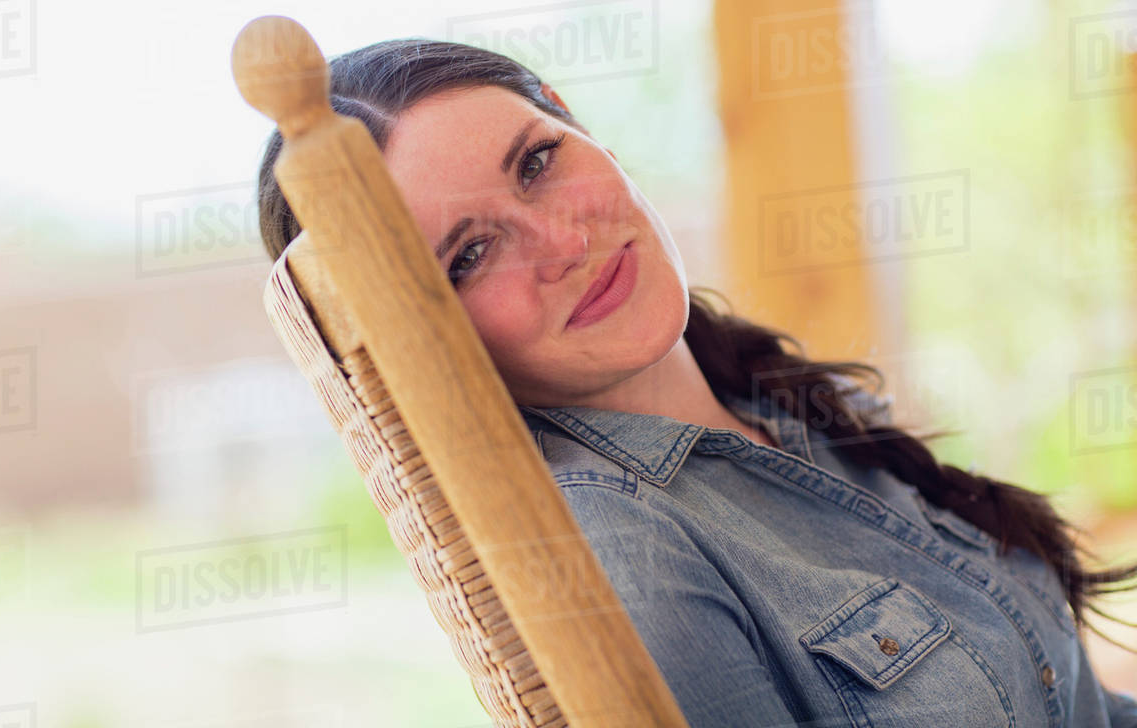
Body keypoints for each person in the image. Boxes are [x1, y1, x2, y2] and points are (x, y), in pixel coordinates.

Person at [254, 38, 1137, 726]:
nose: (563, 244)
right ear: (427, 337)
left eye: (537, 161)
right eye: (471, 255)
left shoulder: (775, 404)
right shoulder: (625, 558)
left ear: (578, 124)